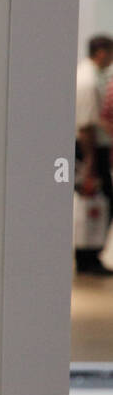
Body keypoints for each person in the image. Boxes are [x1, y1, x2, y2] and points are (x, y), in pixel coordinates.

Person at [77, 34, 113, 274]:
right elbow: (86, 125)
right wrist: (90, 164)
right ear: (101, 52)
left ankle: (90, 255)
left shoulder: (88, 76)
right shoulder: (88, 81)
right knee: (93, 203)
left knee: (95, 204)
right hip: (89, 151)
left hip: (91, 149)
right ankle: (88, 257)